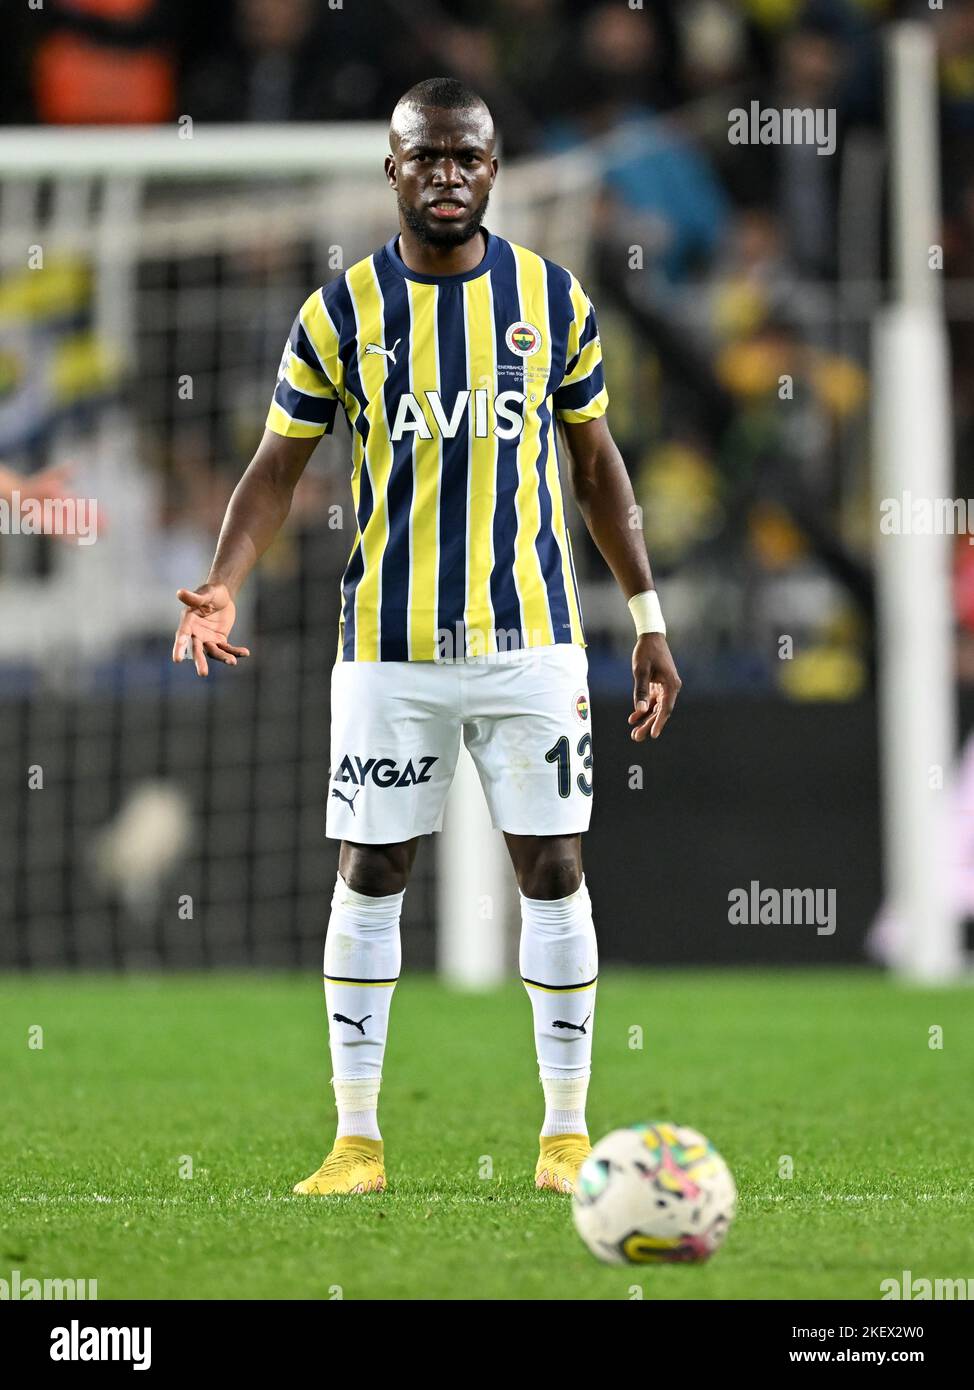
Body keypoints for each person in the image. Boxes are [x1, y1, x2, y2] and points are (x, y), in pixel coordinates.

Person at [172, 77, 681, 1196]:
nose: (447, 175)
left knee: (552, 866)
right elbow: (274, 467)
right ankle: (356, 1140)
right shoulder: (338, 312)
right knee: (372, 869)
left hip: (532, 640)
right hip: (387, 646)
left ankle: (561, 1137)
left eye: (467, 157)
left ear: (493, 171)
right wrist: (221, 581)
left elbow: (595, 466)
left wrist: (645, 616)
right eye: (426, 158)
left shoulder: (551, 300)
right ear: (391, 171)